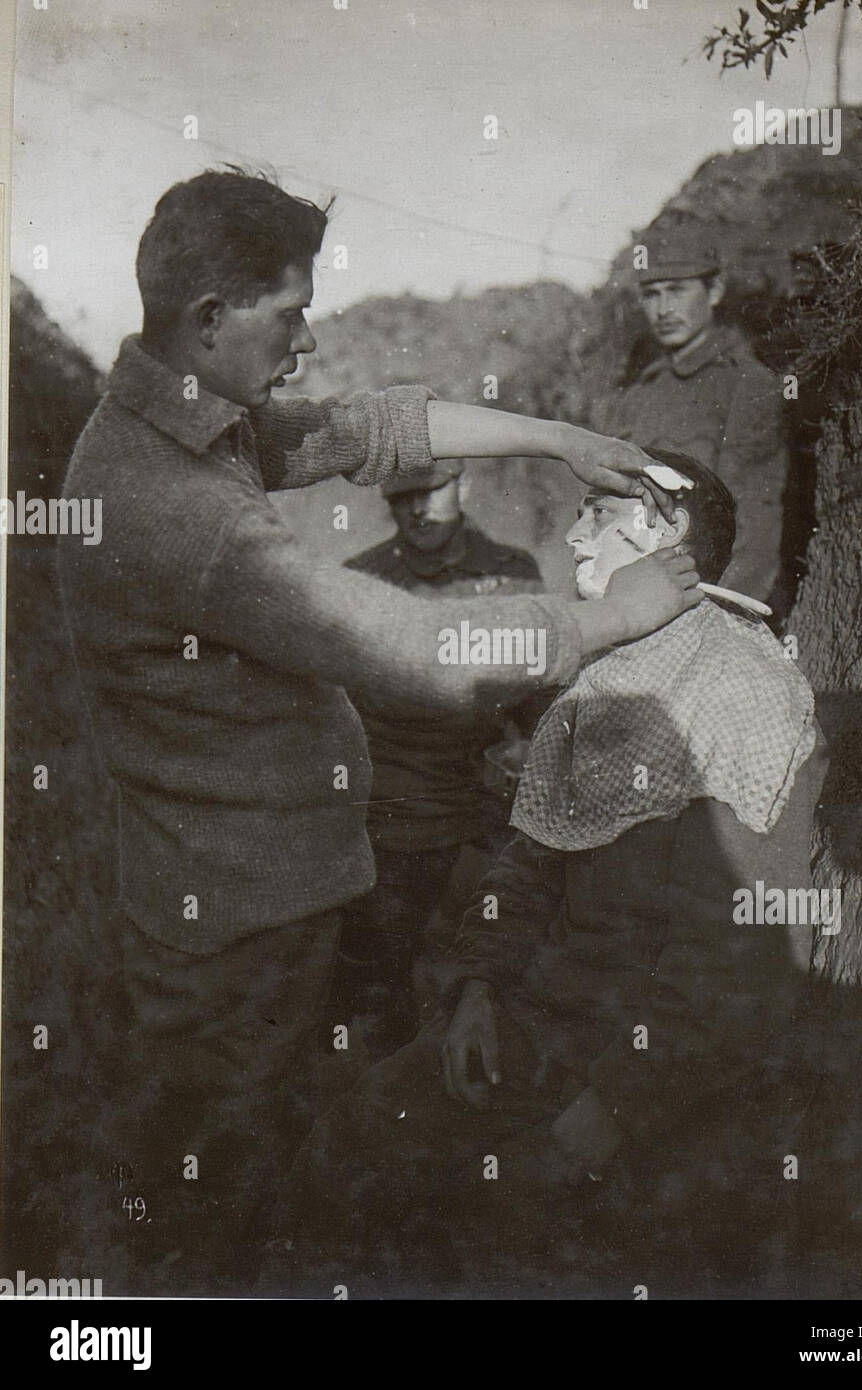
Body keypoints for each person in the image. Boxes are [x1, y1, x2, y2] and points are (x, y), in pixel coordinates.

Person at [55, 168, 700, 1288]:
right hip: (237, 929)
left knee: (246, 1166)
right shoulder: (176, 506)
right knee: (219, 1206)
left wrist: (554, 437)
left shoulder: (188, 423)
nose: (305, 342)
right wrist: (609, 617)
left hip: (247, 895)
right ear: (211, 321)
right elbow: (419, 653)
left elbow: (370, 428)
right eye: (290, 314)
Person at [292, 451, 828, 1293]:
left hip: (653, 1073)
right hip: (539, 1021)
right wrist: (476, 992)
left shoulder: (745, 690)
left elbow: (742, 966)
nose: (573, 533)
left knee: (508, 1238)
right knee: (354, 1137)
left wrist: (607, 1115)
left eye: (597, 516)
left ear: (664, 532)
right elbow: (530, 865)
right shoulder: (598, 675)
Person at [337, 461, 545, 1057]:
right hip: (386, 812)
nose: (417, 509)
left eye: (432, 491)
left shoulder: (512, 577)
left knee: (488, 965)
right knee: (379, 982)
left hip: (481, 809)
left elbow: (539, 702)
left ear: (465, 487)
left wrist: (525, 747)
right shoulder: (363, 580)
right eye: (400, 497)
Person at [605, 224, 789, 605]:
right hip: (635, 592)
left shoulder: (746, 383)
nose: (663, 309)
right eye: (652, 295)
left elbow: (754, 518)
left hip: (702, 598)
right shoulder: (640, 392)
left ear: (715, 291)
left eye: (677, 291)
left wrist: (723, 609)